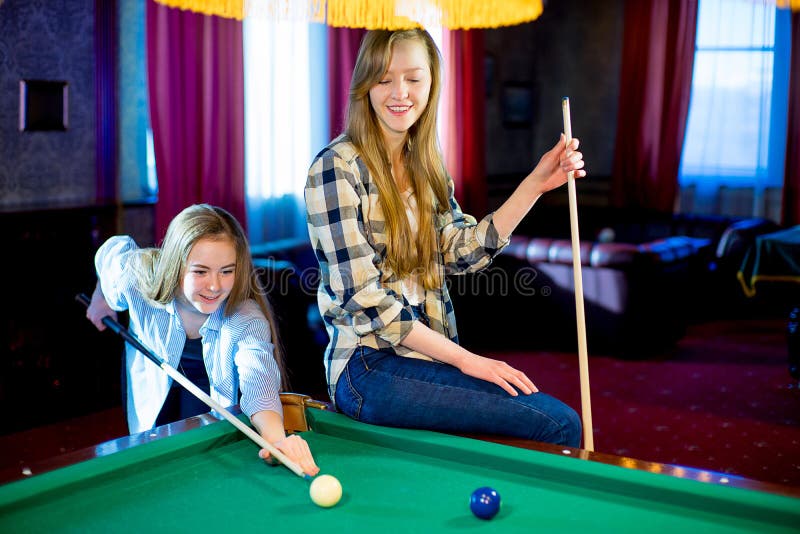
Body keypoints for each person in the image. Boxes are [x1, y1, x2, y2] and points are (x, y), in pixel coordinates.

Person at [305, 29, 585, 447]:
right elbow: (364, 298)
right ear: (364, 85)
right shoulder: (335, 167)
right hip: (366, 368)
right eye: (383, 78)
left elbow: (463, 254)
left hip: (427, 359)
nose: (399, 92)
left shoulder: (428, 168)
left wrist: (533, 186)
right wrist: (468, 361)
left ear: (432, 83)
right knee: (557, 424)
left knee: (544, 420)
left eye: (413, 78)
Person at [86, 204, 319, 474]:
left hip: (206, 398)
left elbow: (260, 385)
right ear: (176, 264)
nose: (215, 286)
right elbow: (112, 253)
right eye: (200, 271)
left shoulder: (246, 317)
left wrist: (277, 440)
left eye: (226, 271)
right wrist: (101, 296)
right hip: (150, 400)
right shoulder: (136, 277)